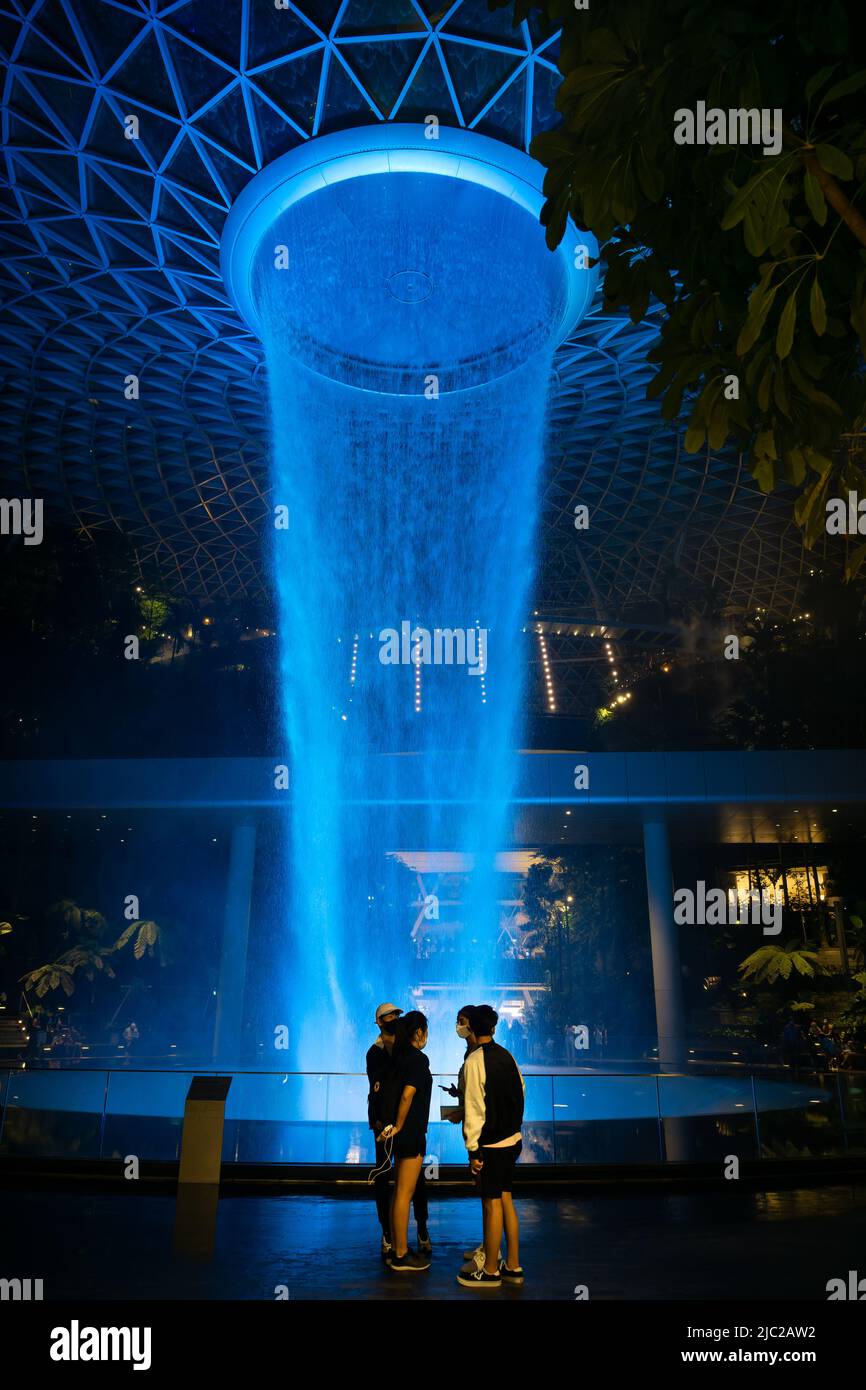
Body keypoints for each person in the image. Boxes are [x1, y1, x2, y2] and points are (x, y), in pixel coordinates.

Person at [458, 1003, 525, 1290]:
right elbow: (521, 1091)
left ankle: (490, 1271)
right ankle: (513, 1265)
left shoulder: (475, 1062)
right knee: (507, 1201)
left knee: (491, 1203)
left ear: (472, 1028)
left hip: (492, 1145)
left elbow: (474, 1110)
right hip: (513, 1140)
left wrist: (473, 1151)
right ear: (494, 1028)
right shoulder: (507, 1056)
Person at [365, 1002, 430, 1263]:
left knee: (411, 1183)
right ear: (379, 1022)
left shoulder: (400, 1052)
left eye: (397, 1016)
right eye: (389, 1017)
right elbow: (388, 1091)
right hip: (390, 1126)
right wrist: (392, 1123)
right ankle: (391, 1238)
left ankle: (418, 1231)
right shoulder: (379, 1053)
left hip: (392, 1126)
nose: (394, 1019)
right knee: (391, 1182)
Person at [387, 1010, 432, 1272]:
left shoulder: (399, 1057)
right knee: (405, 1192)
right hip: (411, 1131)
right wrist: (401, 1125)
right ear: (418, 1032)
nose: (426, 1036)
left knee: (398, 1192)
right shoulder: (418, 1059)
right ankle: (402, 1255)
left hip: (402, 1133)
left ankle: (396, 1247)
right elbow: (407, 1095)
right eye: (425, 1030)